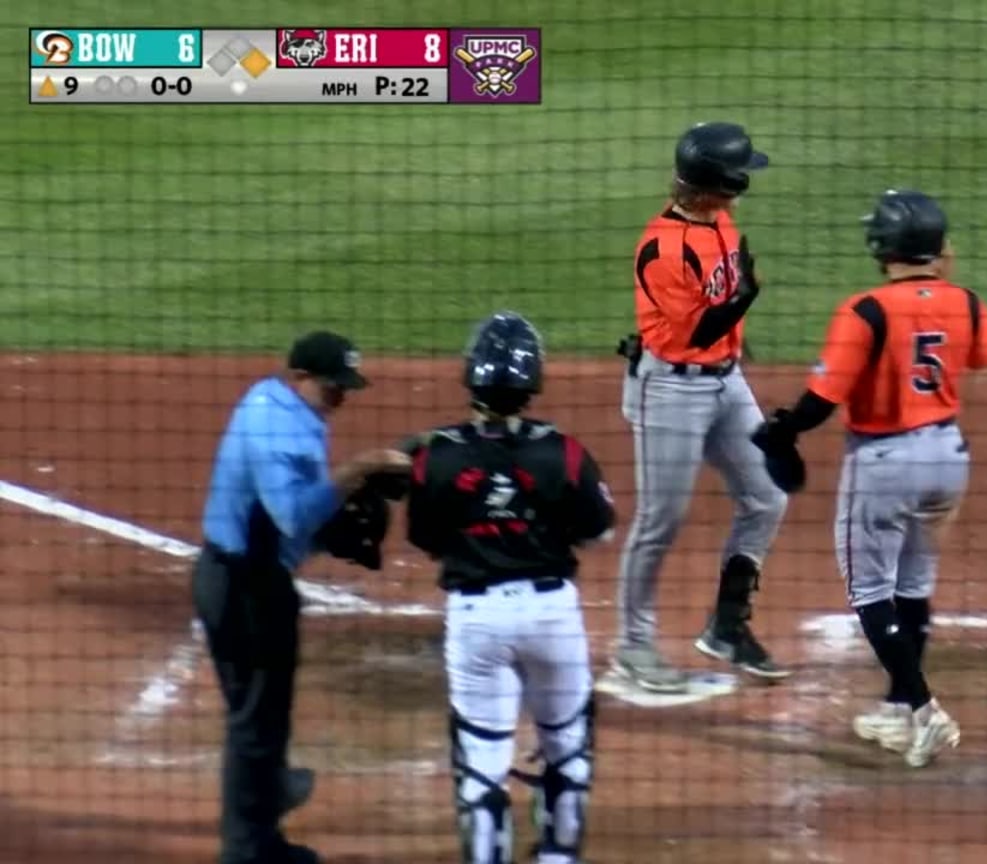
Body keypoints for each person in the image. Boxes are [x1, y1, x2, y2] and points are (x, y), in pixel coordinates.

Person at [753, 189, 987, 768]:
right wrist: (946, 287)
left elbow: (822, 398)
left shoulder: (864, 310)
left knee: (869, 593)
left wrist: (781, 430)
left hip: (886, 466)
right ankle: (896, 707)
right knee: (913, 583)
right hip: (947, 458)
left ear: (880, 246)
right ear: (938, 247)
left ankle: (921, 706)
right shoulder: (966, 302)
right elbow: (982, 358)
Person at [398, 312, 615, 864]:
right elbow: (598, 528)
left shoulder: (435, 455)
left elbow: (425, 536)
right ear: (532, 379)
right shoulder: (563, 452)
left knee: (481, 763)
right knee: (567, 747)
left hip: (475, 619)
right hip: (552, 616)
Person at [193, 331, 411, 863]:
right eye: (333, 387)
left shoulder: (275, 405)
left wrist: (340, 509)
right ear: (301, 378)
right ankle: (250, 848)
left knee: (262, 718)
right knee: (256, 723)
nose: (340, 398)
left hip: (247, 580)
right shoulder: (277, 427)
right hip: (244, 588)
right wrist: (358, 471)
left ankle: (266, 796)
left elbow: (291, 523)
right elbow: (292, 514)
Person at [609, 120, 791, 693]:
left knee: (767, 495)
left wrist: (737, 335)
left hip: (726, 381)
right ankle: (632, 645)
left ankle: (728, 625)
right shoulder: (662, 248)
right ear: (721, 182)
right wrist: (746, 300)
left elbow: (722, 309)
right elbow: (693, 332)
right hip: (671, 388)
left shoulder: (721, 221)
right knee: (661, 521)